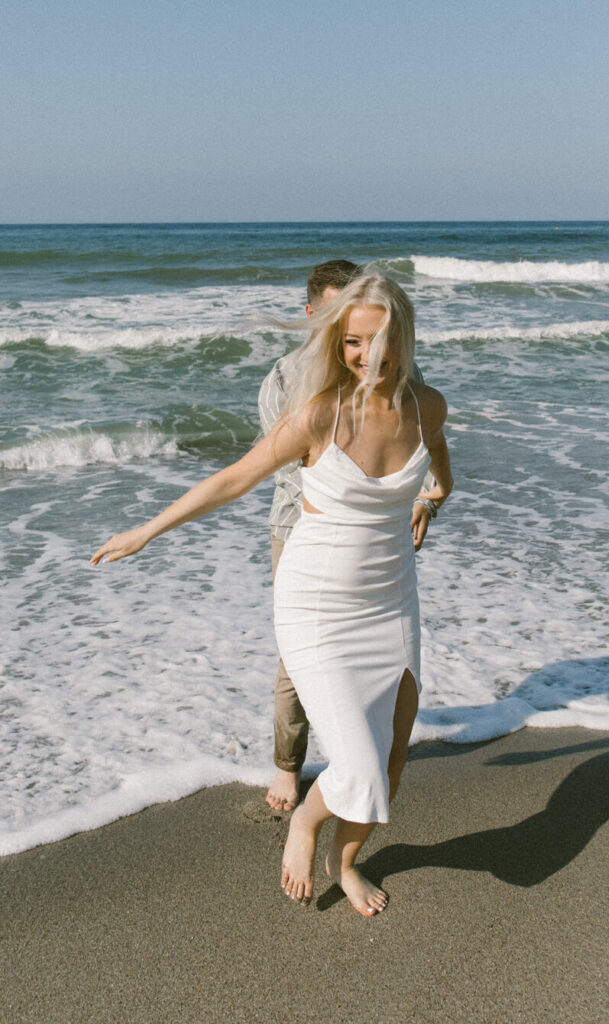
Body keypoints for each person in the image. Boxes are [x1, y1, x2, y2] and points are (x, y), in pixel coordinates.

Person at [91, 272, 452, 917]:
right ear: (336, 343)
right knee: (360, 772)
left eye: (381, 340)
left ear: (405, 333)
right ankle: (305, 826)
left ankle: (345, 866)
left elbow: (441, 469)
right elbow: (236, 479)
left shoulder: (428, 405)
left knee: (390, 768)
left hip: (393, 599)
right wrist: (147, 530)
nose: (368, 356)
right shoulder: (320, 413)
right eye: (352, 344)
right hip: (317, 603)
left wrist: (430, 499)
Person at [260, 260, 435, 813]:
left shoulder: (386, 361)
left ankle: (359, 754)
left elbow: (415, 434)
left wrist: (424, 495)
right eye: (335, 317)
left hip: (380, 536)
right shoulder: (287, 380)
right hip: (303, 527)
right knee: (300, 658)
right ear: (313, 314)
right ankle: (289, 767)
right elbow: (287, 465)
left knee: (380, 654)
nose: (366, 348)